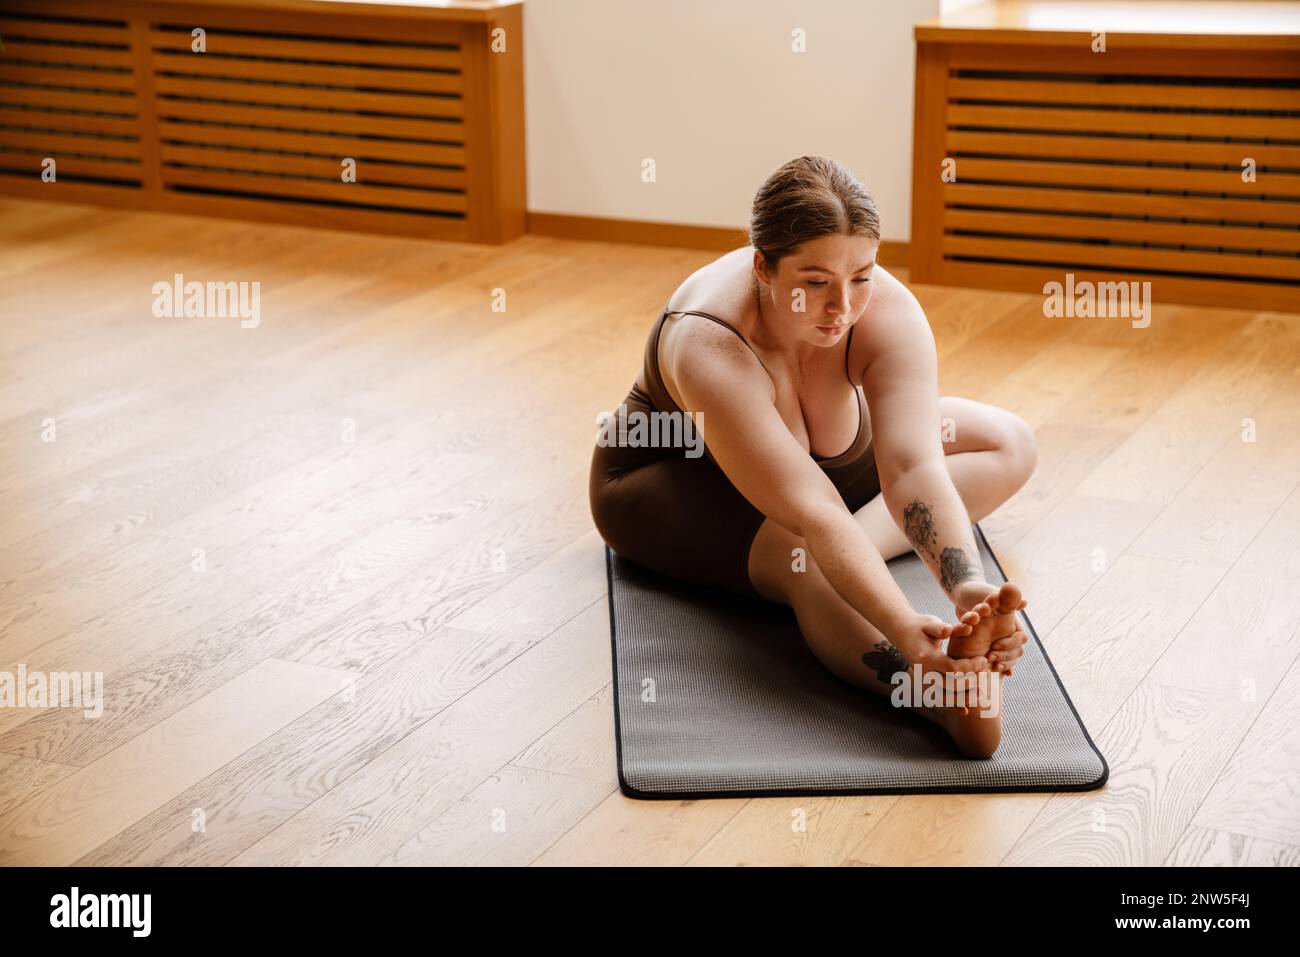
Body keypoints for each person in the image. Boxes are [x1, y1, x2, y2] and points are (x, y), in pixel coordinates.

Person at [589, 156, 1037, 758]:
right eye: (815, 281)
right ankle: (935, 696)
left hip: (815, 477)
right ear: (762, 268)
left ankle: (850, 558)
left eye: (861, 276)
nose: (842, 308)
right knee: (806, 550)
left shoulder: (884, 307)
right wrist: (909, 633)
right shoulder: (710, 341)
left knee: (1008, 440)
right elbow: (814, 512)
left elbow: (912, 467)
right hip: (680, 480)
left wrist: (967, 588)